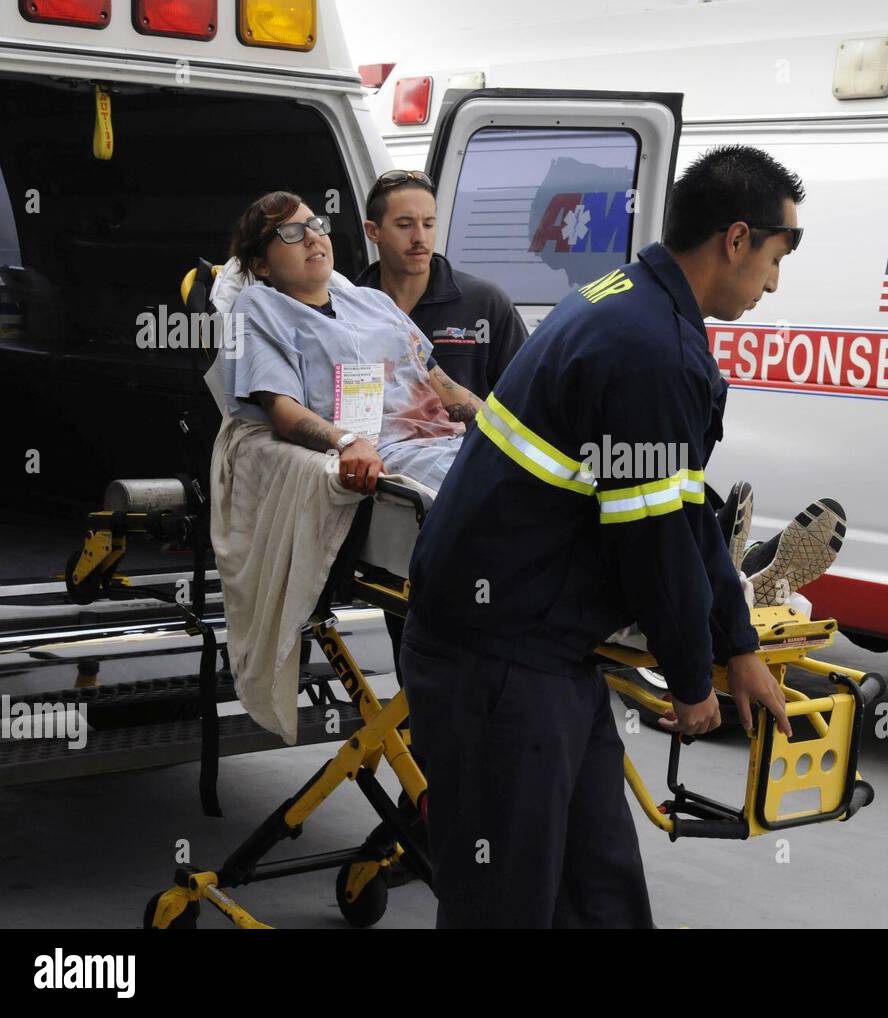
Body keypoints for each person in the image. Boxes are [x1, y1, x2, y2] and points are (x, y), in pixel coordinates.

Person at [399, 145, 808, 928]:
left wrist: (738, 643)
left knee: (599, 891)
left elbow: (684, 510)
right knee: (503, 903)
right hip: (499, 657)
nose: (775, 280)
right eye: (776, 254)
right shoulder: (649, 347)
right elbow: (651, 539)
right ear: (735, 238)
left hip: (542, 650)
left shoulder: (634, 300)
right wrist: (693, 683)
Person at [216, 191, 484, 494]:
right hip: (392, 451)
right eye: (291, 233)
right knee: (489, 494)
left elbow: (439, 381)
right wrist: (347, 441)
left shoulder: (374, 301)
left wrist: (503, 427)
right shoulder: (261, 307)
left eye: (316, 225)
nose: (313, 238)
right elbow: (281, 408)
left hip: (452, 440)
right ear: (261, 266)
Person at [355, 169, 528, 399]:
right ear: (373, 231)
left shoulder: (486, 303)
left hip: (471, 436)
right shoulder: (347, 310)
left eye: (428, 224)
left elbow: (527, 396)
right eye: (405, 225)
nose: (419, 238)